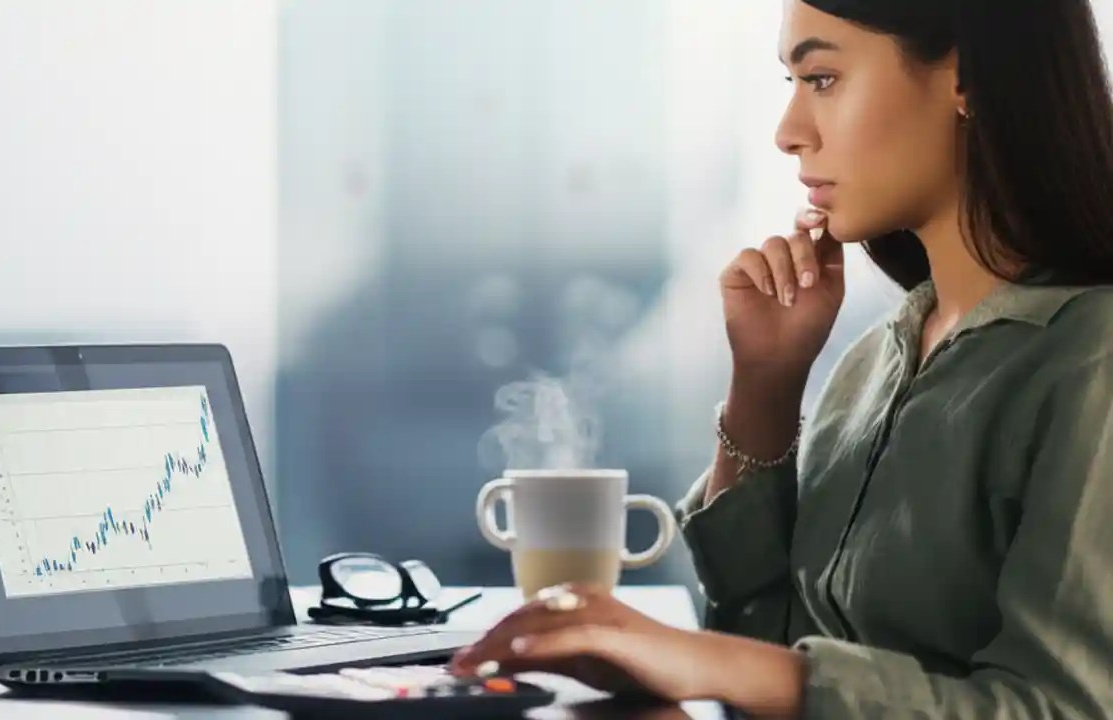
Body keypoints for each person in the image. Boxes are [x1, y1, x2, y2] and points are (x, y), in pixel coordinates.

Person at [449, 0, 1113, 716]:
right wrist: (764, 387)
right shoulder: (874, 363)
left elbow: (1064, 706)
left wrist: (712, 663)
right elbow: (758, 647)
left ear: (966, 80)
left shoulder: (1091, 360)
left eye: (822, 78)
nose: (788, 133)